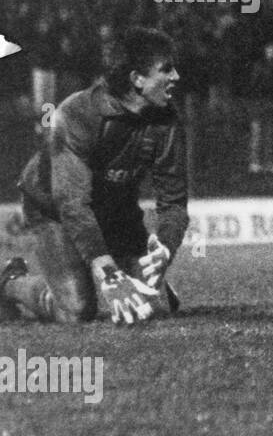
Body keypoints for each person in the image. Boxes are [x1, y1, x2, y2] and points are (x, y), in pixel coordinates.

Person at [1, 27, 187, 324]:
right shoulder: (75, 114)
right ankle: (11, 281)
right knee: (76, 310)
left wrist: (165, 245)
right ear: (137, 80)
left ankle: (144, 280)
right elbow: (72, 205)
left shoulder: (167, 118)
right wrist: (108, 272)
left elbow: (174, 201)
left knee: (157, 307)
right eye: (166, 69)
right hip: (53, 209)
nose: (176, 76)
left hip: (115, 207)